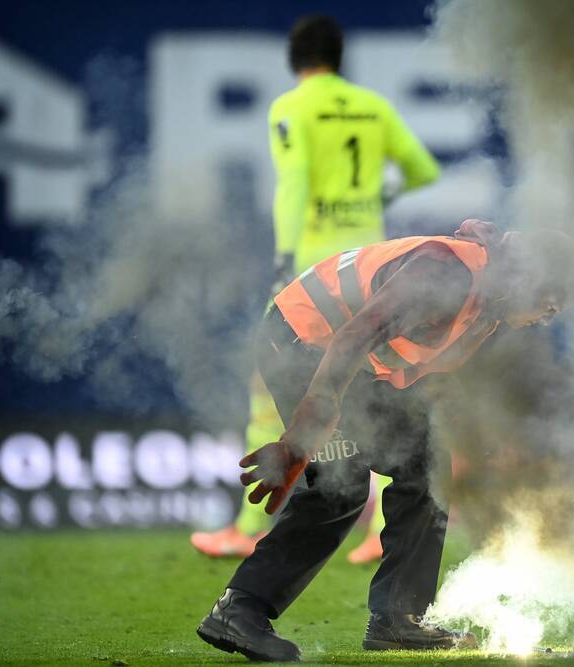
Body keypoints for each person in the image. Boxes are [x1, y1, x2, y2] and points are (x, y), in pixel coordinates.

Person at [196, 219, 574, 661]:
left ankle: (399, 620)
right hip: (301, 342)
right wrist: (300, 439)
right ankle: (238, 610)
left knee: (427, 463)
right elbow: (353, 338)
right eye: (550, 307)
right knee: (341, 486)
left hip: (344, 359)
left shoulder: (487, 302)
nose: (543, 321)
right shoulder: (447, 274)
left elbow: (438, 377)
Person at [191, 14, 440, 558]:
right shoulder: (373, 107)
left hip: (314, 275)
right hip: (370, 267)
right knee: (376, 392)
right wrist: (375, 198)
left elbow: (294, 186)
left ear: (294, 58)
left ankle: (248, 525)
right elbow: (422, 169)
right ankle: (379, 536)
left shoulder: (291, 107)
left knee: (269, 386)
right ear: (340, 57)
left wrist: (284, 259)